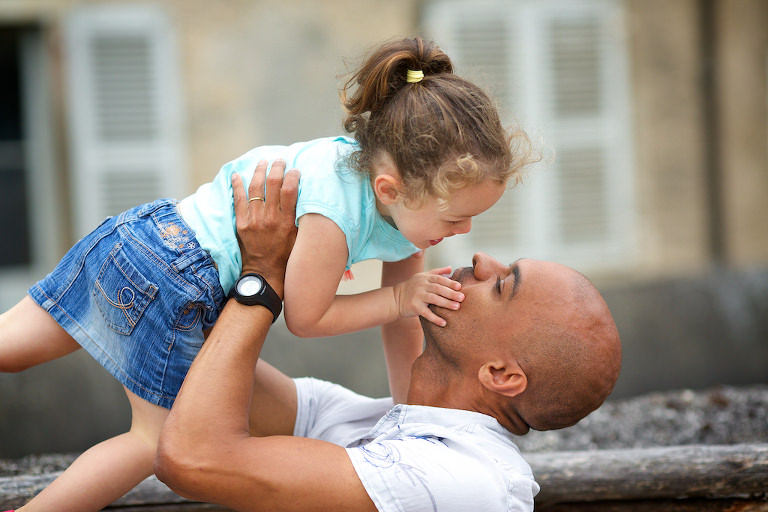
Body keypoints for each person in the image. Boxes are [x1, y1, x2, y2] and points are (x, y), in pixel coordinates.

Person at [0, 37, 538, 511]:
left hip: (136, 235)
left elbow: (404, 321)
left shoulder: (396, 205)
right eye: (454, 217)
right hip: (178, 277)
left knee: (15, 342)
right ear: (390, 190)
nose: (463, 231)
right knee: (154, 439)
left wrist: (408, 417)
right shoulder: (335, 214)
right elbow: (307, 316)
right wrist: (398, 300)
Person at [154, 154, 623, 511]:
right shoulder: (377, 425)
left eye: (503, 284)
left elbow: (193, 457)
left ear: (500, 374)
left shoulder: (465, 478)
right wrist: (397, 215)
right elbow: (185, 375)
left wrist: (262, 275)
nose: (482, 261)